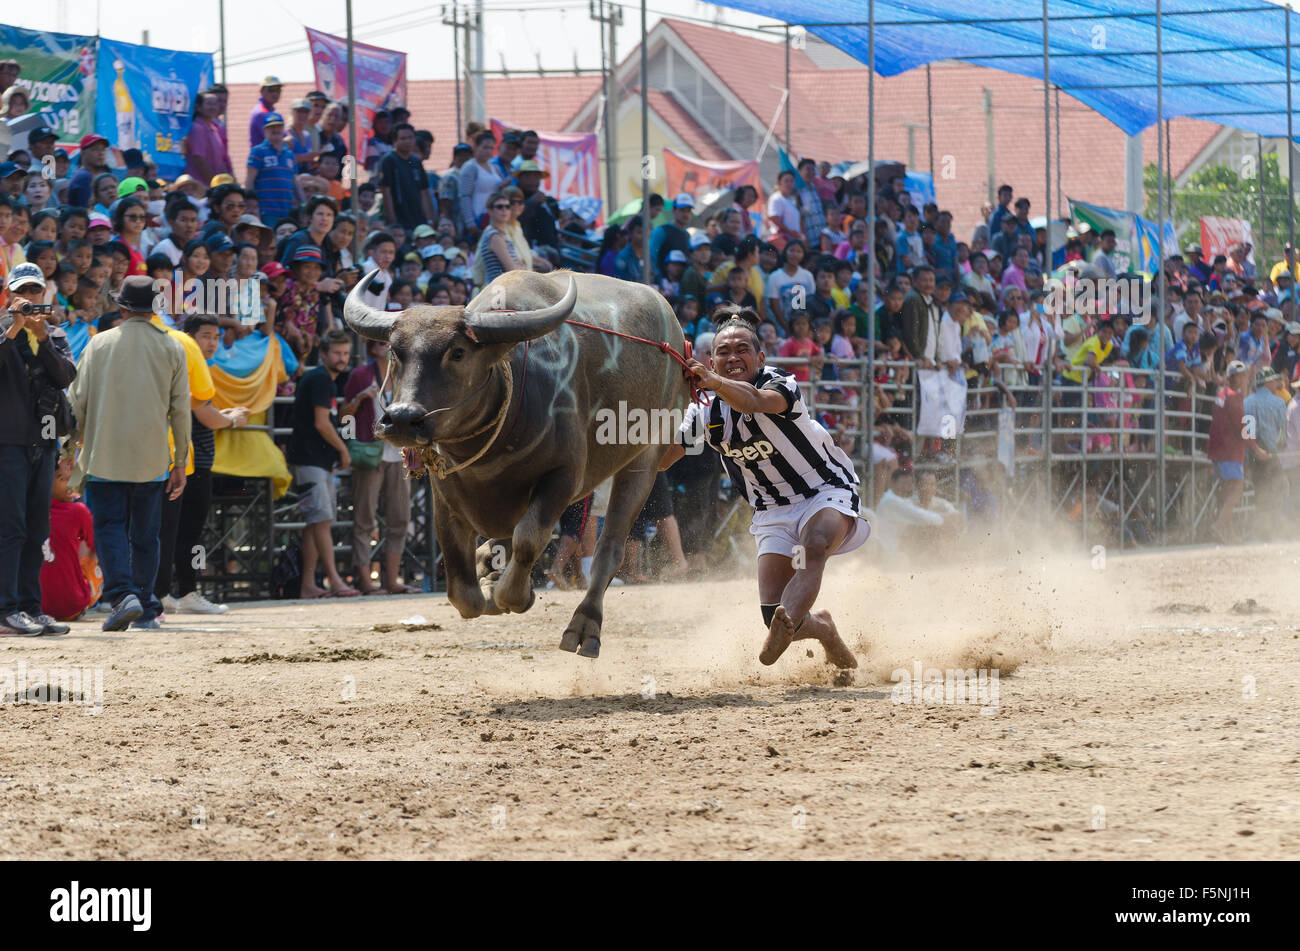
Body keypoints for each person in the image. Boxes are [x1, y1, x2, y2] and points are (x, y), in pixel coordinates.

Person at [658, 306, 867, 669]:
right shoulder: (703, 410)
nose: (733, 357)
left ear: (760, 357)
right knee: (775, 615)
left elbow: (754, 403)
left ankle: (800, 622)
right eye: (723, 352)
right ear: (711, 359)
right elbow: (663, 459)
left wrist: (714, 382)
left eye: (742, 349)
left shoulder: (780, 382)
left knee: (814, 546)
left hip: (823, 490)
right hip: (772, 510)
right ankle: (826, 630)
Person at [67, 275, 191, 632]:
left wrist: (68, 447)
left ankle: (123, 596)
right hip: (152, 459)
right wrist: (180, 461)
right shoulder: (172, 347)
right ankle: (146, 605)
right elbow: (181, 410)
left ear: (121, 307)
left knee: (109, 528)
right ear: (155, 310)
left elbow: (77, 401)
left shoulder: (99, 344)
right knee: (147, 534)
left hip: (105, 454)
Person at [0, 263, 77, 635]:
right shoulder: (3, 329)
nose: (29, 299)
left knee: (36, 528)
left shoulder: (55, 333)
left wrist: (43, 337)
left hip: (44, 442)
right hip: (8, 442)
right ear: (9, 294)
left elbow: (65, 376)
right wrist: (15, 326)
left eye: (35, 292)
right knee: (10, 528)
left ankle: (31, 607)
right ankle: (6, 609)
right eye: (22, 292)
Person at [156, 314, 248, 615]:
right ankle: (178, 592)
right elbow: (204, 414)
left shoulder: (190, 365)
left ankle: (173, 592)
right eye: (205, 336)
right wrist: (232, 420)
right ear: (189, 337)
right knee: (183, 530)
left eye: (216, 337)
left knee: (182, 531)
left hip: (190, 460)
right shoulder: (186, 361)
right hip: (186, 463)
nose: (211, 343)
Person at [287, 328, 360, 598]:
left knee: (315, 524)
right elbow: (322, 424)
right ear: (324, 354)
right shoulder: (320, 379)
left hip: (315, 460)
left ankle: (309, 585)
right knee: (322, 521)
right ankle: (334, 580)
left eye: (345, 353)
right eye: (337, 353)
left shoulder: (323, 379)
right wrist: (343, 450)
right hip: (310, 460)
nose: (342, 359)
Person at [343, 338, 415, 595]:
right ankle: (365, 581)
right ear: (373, 348)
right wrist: (360, 400)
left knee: (400, 518)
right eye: (383, 344)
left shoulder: (407, 374)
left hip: (399, 454)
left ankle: (392, 581)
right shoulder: (361, 374)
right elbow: (344, 415)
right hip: (370, 454)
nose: (389, 348)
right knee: (364, 519)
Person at [1208, 360, 1268, 543]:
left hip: (1217, 451)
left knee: (1227, 494)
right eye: (1242, 376)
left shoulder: (1222, 394)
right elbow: (1242, 426)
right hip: (1230, 452)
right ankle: (1217, 527)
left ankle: (1230, 535)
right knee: (1236, 490)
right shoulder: (1234, 397)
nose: (1245, 379)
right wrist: (1256, 448)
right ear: (1236, 377)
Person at [40, 454, 102, 623]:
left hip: (35, 606)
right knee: (89, 543)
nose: (70, 485)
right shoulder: (78, 511)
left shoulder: (29, 511)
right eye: (62, 479)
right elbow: (97, 545)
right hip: (72, 606)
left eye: (71, 478)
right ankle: (86, 593)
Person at [378, 123, 435, 234]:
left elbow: (424, 192)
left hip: (418, 219)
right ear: (395, 141)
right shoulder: (388, 161)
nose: (408, 141)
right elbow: (386, 191)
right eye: (403, 138)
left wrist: (430, 219)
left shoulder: (416, 162)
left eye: (410, 138)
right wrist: (392, 220)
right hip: (400, 219)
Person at [248, 76, 284, 149]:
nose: (275, 93)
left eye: (278, 90)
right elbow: (275, 140)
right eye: (271, 90)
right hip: (261, 158)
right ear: (261, 91)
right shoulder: (261, 112)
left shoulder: (269, 111)